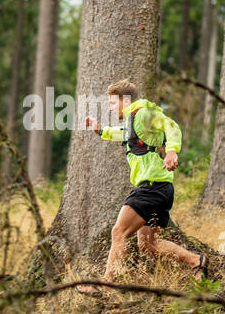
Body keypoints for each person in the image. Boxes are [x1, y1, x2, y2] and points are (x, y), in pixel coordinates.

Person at [75, 79, 207, 295]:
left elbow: (170, 125)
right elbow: (125, 136)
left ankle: (106, 285)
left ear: (124, 100)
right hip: (161, 188)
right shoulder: (132, 121)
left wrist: (172, 151)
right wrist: (100, 130)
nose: (110, 108)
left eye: (111, 103)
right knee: (148, 244)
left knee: (118, 232)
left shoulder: (143, 113)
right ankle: (196, 261)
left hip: (151, 188)